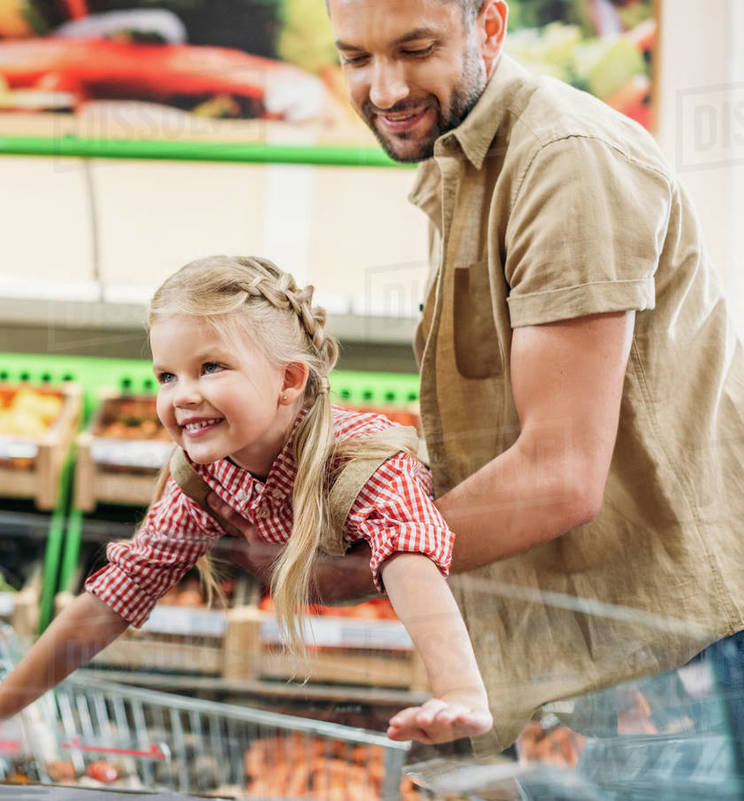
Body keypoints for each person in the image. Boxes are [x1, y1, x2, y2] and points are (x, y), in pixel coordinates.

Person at [219, 0, 744, 756]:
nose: (385, 90)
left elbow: (562, 474)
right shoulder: (472, 159)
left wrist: (361, 564)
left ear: (490, 27)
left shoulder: (565, 161)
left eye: (416, 48)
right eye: (357, 58)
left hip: (677, 657)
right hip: (598, 642)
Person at [0, 255, 492, 745]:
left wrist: (461, 691)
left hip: (497, 629)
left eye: (211, 367)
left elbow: (411, 562)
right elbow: (115, 596)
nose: (182, 395)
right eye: (166, 376)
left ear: (290, 381)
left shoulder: (366, 461)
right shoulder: (209, 476)